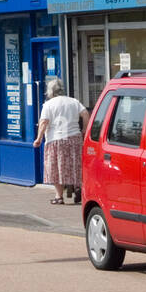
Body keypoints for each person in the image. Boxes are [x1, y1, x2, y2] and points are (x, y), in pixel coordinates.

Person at [32, 77, 89, 205]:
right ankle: (78, 187)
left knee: (55, 168)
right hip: (74, 138)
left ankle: (59, 196)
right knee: (75, 164)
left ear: (50, 92)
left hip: (55, 140)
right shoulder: (73, 101)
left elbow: (44, 122)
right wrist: (84, 130)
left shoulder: (48, 105)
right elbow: (85, 114)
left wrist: (38, 138)